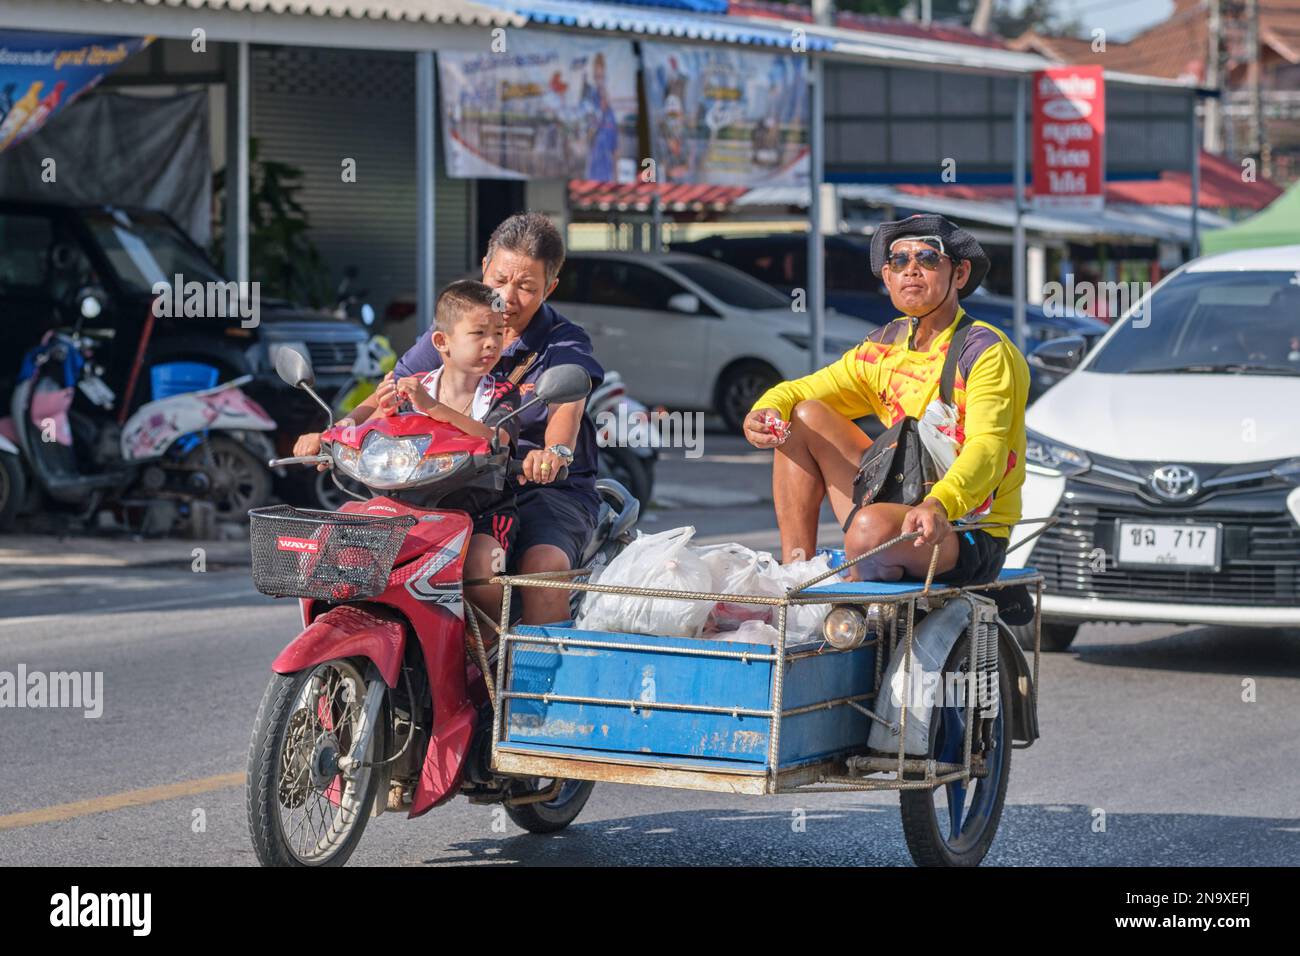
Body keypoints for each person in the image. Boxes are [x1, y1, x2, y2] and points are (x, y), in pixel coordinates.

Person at [299, 213, 605, 625]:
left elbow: (566, 409)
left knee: (540, 569)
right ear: (484, 268)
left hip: (540, 486)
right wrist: (334, 433)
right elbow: (388, 393)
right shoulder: (453, 332)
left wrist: (554, 452)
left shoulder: (563, 342)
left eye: (527, 287)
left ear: (549, 288)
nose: (508, 298)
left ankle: (531, 684)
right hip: (450, 480)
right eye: (499, 280)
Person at [743, 214, 1031, 586]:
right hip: (898, 500)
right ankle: (794, 574)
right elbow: (801, 392)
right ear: (888, 277)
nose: (911, 270)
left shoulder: (985, 350)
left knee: (868, 530)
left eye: (927, 258)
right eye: (899, 261)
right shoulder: (882, 347)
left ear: (959, 275)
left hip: (965, 526)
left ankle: (864, 601)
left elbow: (987, 450)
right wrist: (765, 411)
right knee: (801, 417)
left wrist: (940, 503)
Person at [297, 280, 523, 617]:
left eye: (498, 334)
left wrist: (433, 409)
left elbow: (494, 437)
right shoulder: (414, 388)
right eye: (478, 333)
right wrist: (343, 432)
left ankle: (486, 653)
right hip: (409, 512)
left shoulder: (502, 392)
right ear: (441, 342)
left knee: (480, 570)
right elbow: (369, 430)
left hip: (481, 514)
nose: (491, 343)